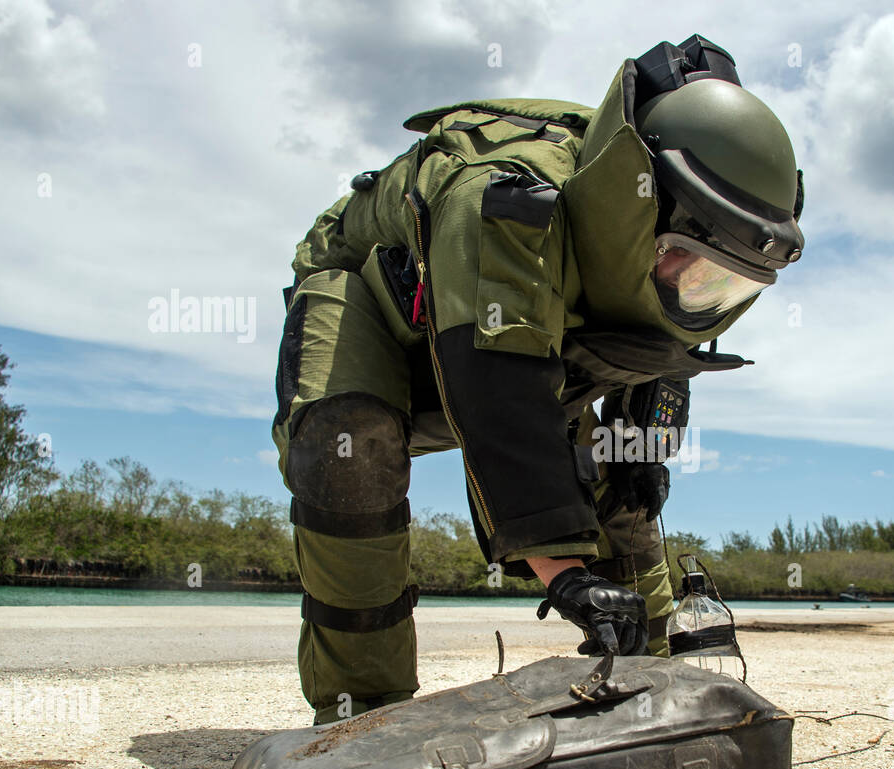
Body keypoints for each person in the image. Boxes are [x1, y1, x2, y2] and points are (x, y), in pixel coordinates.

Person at [269, 35, 805, 723]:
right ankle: (362, 713)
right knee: (350, 438)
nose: (696, 293)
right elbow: (500, 389)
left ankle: (656, 680)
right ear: (640, 209)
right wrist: (569, 576)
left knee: (625, 466)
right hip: (387, 314)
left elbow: (643, 381)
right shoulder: (505, 198)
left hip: (530, 333)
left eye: (720, 283)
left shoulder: (645, 253)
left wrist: (640, 454)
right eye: (688, 264)